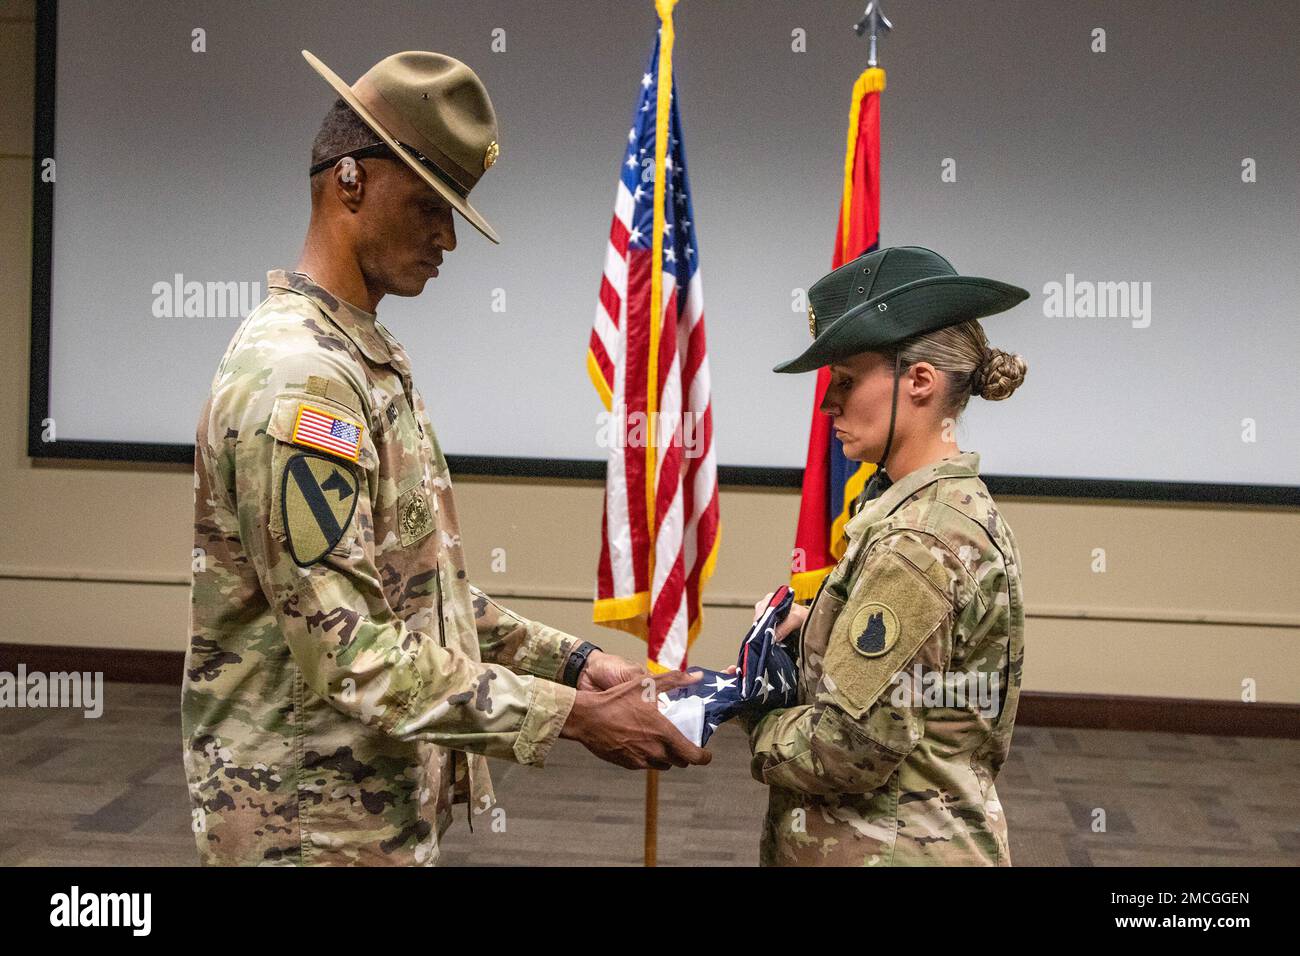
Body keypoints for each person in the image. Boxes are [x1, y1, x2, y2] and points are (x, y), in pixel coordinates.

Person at [181, 49, 708, 867]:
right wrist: (572, 716)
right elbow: (353, 652)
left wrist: (578, 663)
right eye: (430, 204)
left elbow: (421, 596)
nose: (448, 239)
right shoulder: (302, 381)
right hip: (304, 829)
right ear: (348, 180)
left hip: (359, 815)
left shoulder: (359, 354)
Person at [746, 245, 1028, 865]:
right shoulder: (921, 513)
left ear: (920, 382)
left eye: (846, 381)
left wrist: (753, 713)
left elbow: (851, 746)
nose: (829, 405)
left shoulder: (918, 540)